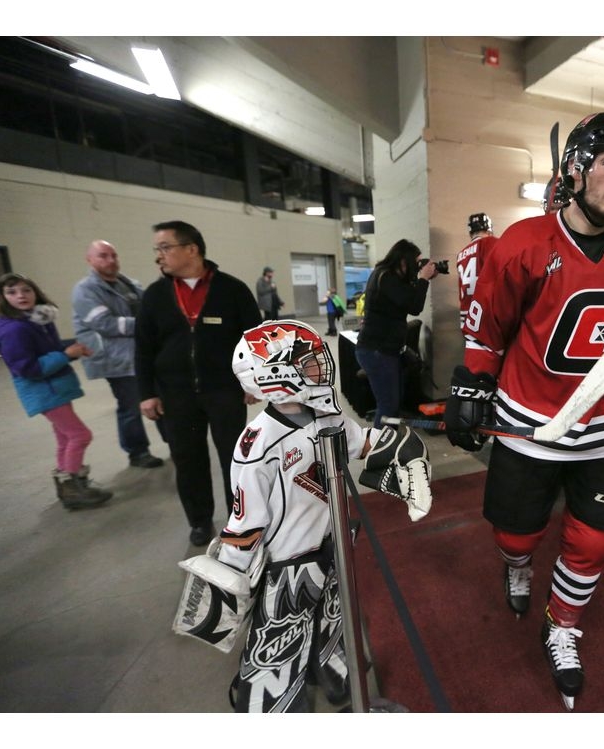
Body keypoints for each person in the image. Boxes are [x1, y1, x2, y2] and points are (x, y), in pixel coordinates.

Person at [443, 112, 604, 709]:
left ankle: (563, 625)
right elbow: (487, 331)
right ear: (574, 167)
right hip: (530, 422)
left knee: (594, 543)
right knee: (515, 535)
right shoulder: (523, 243)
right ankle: (517, 564)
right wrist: (472, 386)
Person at [175, 319, 433, 712]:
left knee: (335, 623)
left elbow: (361, 440)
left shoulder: (326, 415)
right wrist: (231, 574)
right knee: (279, 645)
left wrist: (401, 446)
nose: (319, 369)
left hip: (333, 546)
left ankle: (341, 685)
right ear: (273, 375)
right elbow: (245, 522)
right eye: (308, 363)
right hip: (287, 567)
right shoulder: (257, 445)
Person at [135, 220, 262, 546]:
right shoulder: (155, 295)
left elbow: (255, 339)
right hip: (176, 395)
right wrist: (146, 393)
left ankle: (239, 519)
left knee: (235, 458)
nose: (158, 256)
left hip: (224, 391)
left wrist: (253, 382)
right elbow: (143, 347)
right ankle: (200, 521)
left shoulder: (232, 289)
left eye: (165, 248)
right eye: (157, 249)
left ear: (191, 249)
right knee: (188, 459)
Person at [0, 273, 113, 509]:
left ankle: (67, 484)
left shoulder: (38, 320)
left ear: (35, 292)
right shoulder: (14, 330)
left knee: (64, 437)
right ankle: (73, 488)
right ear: (2, 298)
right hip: (44, 391)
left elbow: (48, 349)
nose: (21, 296)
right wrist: (65, 355)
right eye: (12, 292)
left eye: (26, 290)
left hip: (56, 387)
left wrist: (71, 349)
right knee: (80, 435)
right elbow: (28, 368)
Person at [71, 240, 166, 469]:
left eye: (113, 255)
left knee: (162, 398)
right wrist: (146, 324)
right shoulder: (85, 290)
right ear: (89, 260)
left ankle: (174, 440)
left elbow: (151, 306)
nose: (111, 260)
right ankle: (138, 452)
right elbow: (105, 324)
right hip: (116, 360)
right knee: (131, 406)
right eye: (103, 256)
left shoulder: (129, 284)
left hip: (143, 354)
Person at [354, 239, 440, 428]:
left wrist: (423, 279)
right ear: (403, 260)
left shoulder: (386, 275)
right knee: (388, 406)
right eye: (415, 262)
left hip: (384, 350)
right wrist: (423, 279)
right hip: (377, 351)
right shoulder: (386, 277)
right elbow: (414, 306)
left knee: (392, 404)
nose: (416, 267)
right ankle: (380, 443)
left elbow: (408, 296)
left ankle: (388, 440)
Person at [456, 213, 500, 329]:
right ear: (489, 231)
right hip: (486, 314)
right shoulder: (491, 243)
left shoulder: (461, 254)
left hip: (467, 316)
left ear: (470, 233)